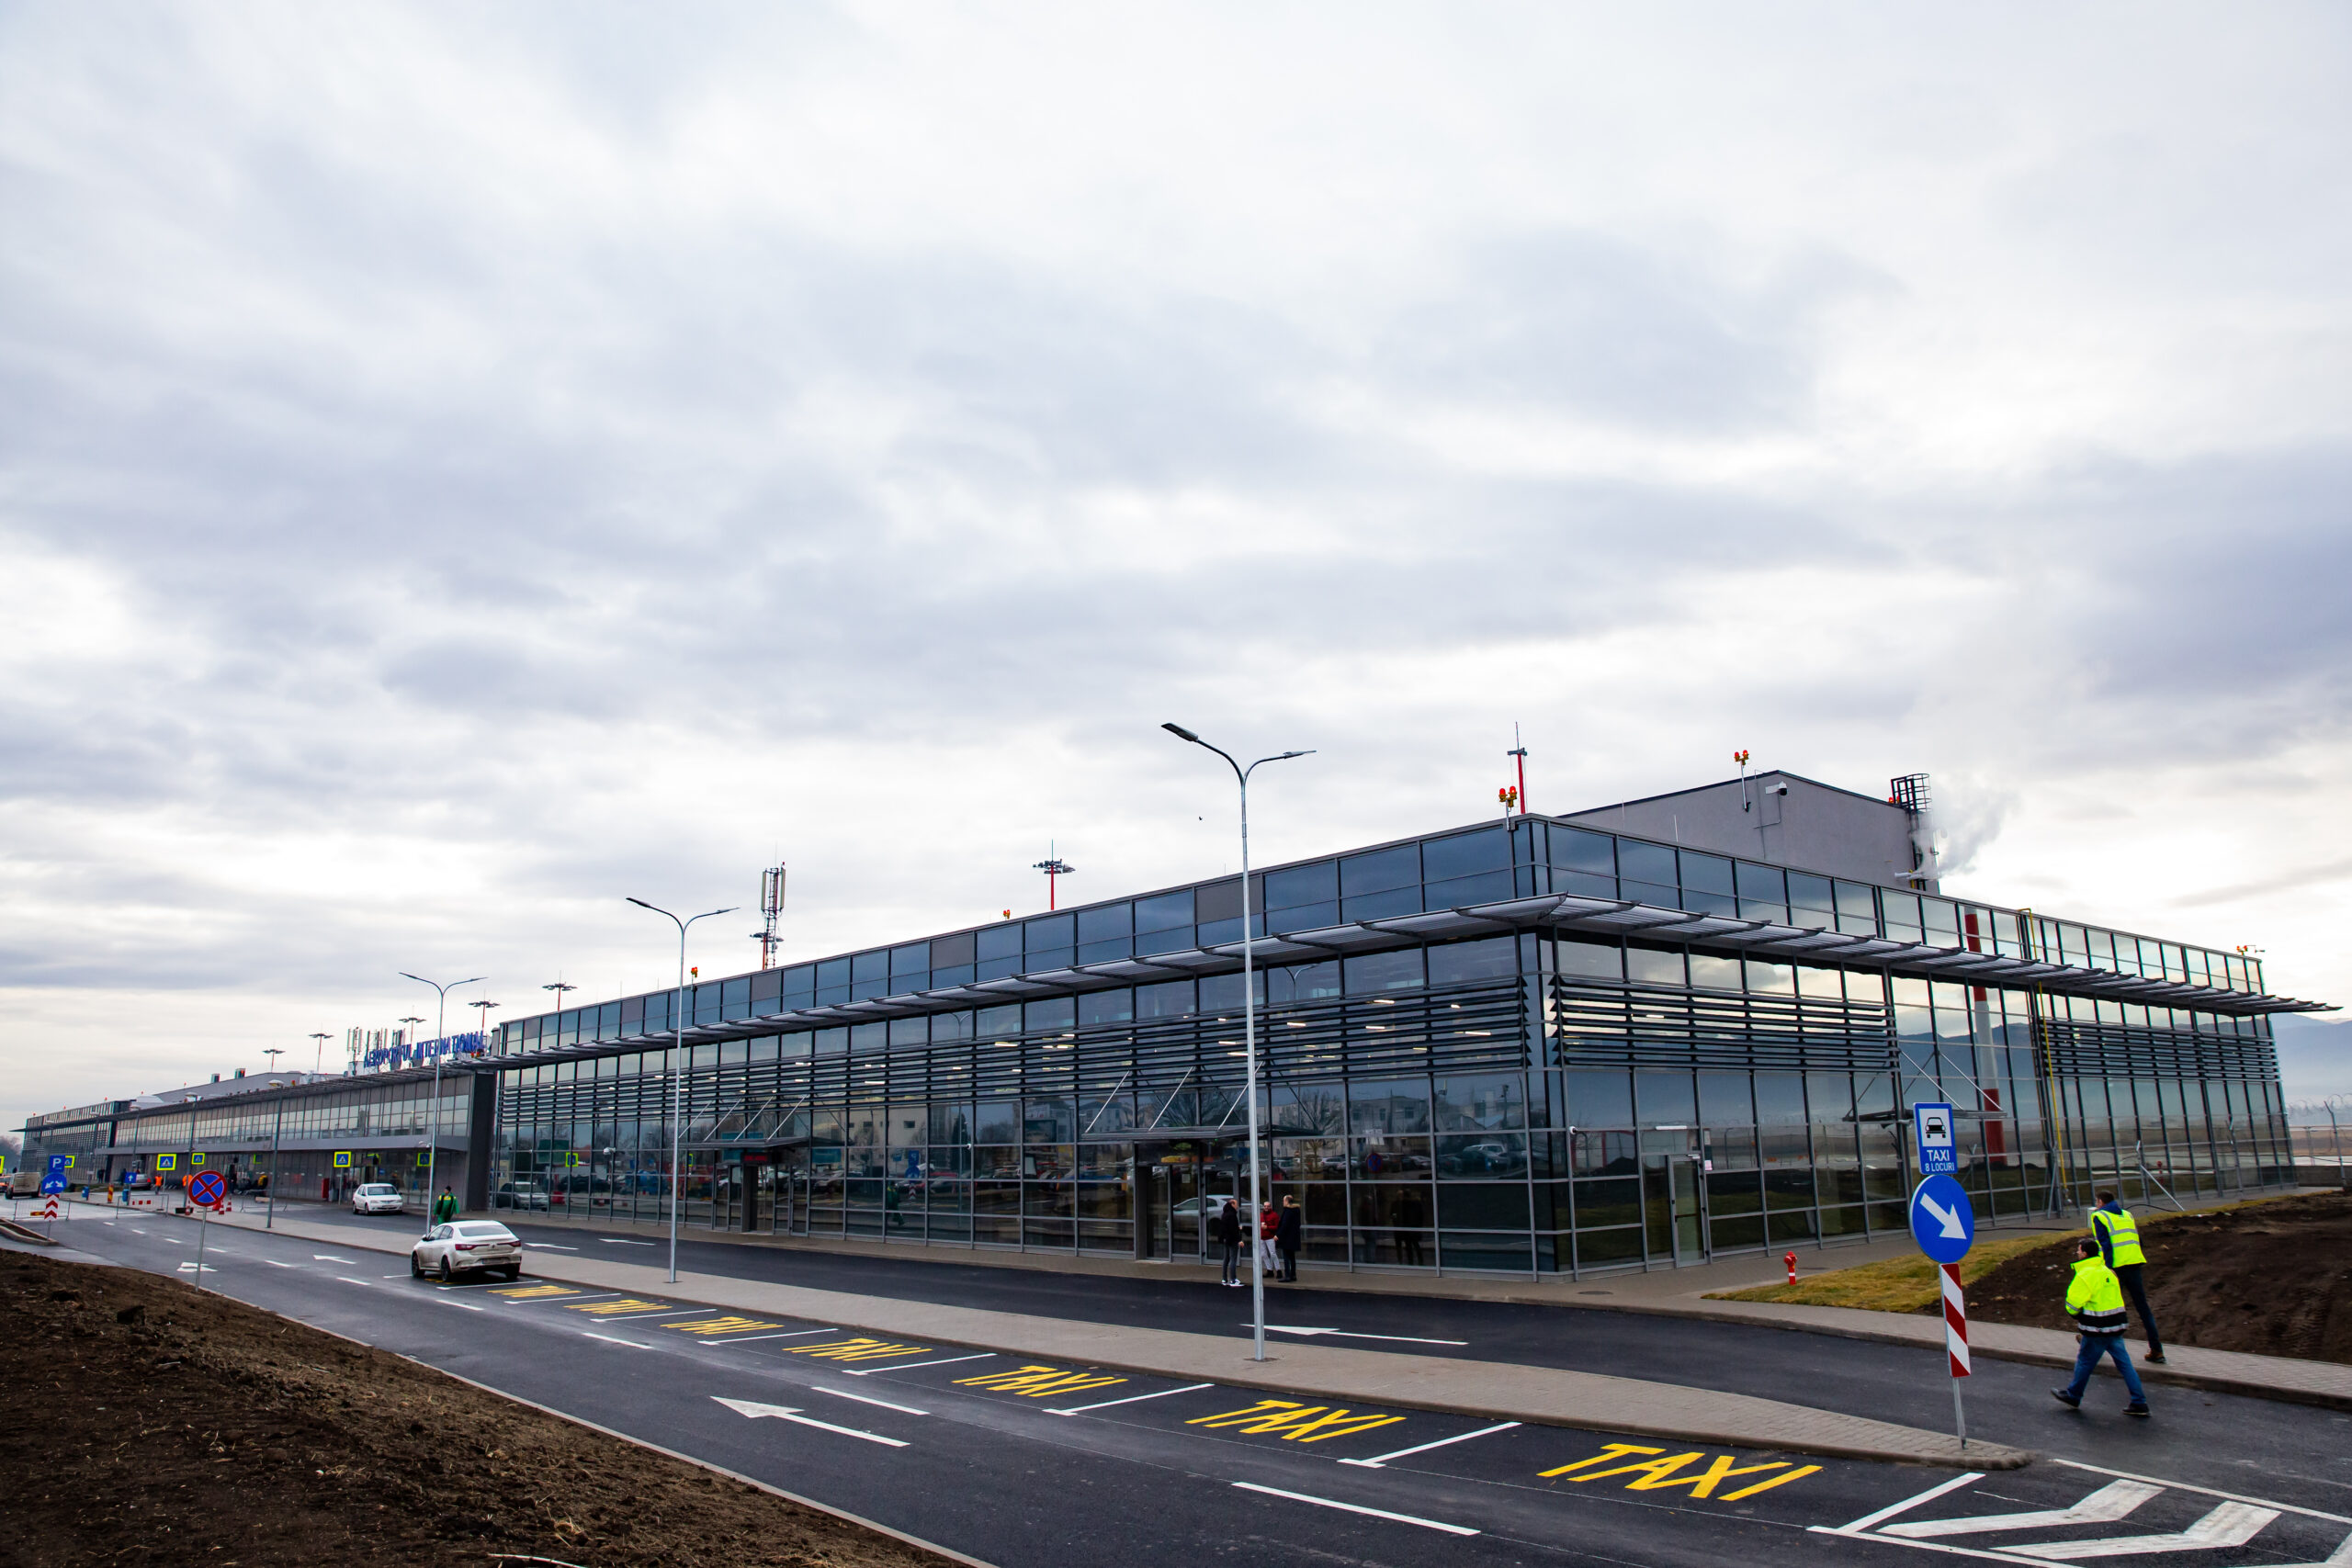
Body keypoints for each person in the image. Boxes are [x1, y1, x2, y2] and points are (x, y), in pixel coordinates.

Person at [2052, 1236, 2150, 1416]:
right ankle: (2139, 1402)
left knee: (2085, 1361)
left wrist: (2079, 1316)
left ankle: (2073, 1395)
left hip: (2096, 1330)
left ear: (2085, 1253)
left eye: (2079, 1250)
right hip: (2116, 1326)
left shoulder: (2084, 1275)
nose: (2077, 1253)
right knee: (2125, 1364)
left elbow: (2072, 1305)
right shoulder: (2108, 1272)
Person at [2090, 1187, 2166, 1364]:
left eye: (2096, 1202)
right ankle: (2157, 1349)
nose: (2095, 1205)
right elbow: (2137, 1240)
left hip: (2115, 1267)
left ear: (2101, 1202)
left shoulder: (2099, 1216)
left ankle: (2092, 1340)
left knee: (2103, 1304)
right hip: (2134, 1264)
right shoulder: (2127, 1215)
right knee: (2143, 1309)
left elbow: (2104, 1245)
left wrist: (2107, 1268)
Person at [1216, 1198, 1243, 1287]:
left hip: (1226, 1239)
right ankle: (1233, 1279)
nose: (1237, 1206)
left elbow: (1225, 1228)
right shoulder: (1232, 1215)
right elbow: (1233, 1230)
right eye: (1236, 1204)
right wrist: (1239, 1239)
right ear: (1232, 1204)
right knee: (1233, 1259)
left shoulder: (1224, 1214)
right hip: (1232, 1240)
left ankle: (1224, 1279)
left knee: (1226, 1259)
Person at [1276, 1194, 1303, 1282]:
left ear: (1287, 1201)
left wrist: (1278, 1235)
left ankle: (1287, 1275)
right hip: (1294, 1238)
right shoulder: (1296, 1211)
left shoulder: (1288, 1211)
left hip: (1287, 1238)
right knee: (1292, 1257)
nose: (1283, 1202)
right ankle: (1293, 1275)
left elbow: (1284, 1225)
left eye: (1284, 1200)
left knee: (1286, 1257)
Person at [1258, 1199, 1280, 1279]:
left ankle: (1278, 1270)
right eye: (1265, 1206)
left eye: (1268, 1206)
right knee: (1263, 1254)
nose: (1266, 1207)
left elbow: (1277, 1227)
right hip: (1262, 1238)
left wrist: (1267, 1227)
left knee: (1273, 1254)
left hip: (1270, 1237)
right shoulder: (1260, 1215)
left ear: (1270, 1207)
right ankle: (1269, 1270)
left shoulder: (1274, 1215)